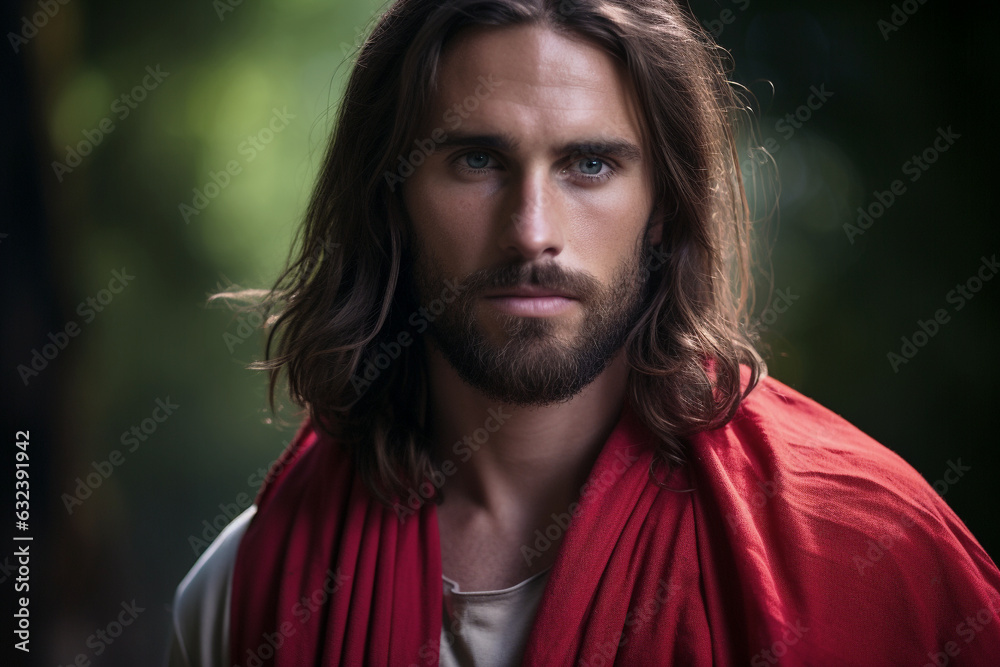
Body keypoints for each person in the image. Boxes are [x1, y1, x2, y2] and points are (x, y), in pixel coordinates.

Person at [167, 0, 1000, 665]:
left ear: (663, 206)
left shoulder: (873, 553)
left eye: (589, 164)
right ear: (390, 199)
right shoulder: (248, 592)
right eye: (477, 160)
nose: (532, 232)